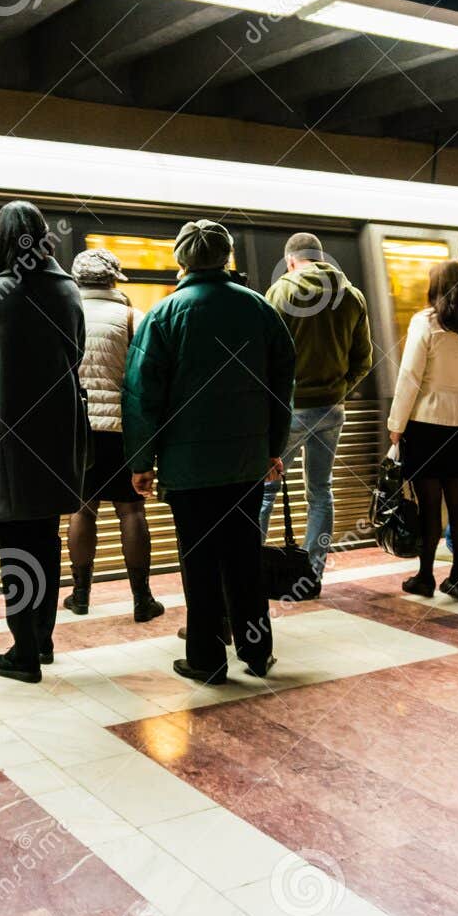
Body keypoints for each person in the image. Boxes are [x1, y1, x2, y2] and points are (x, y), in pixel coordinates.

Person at [124, 219, 293, 684]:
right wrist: (271, 448)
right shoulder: (260, 310)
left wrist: (141, 462)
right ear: (227, 257)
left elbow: (142, 395)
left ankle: (207, 659)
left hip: (188, 467)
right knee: (244, 557)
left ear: (181, 260)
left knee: (198, 562)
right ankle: (257, 654)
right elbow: (282, 387)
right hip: (245, 465)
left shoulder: (164, 315)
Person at [0, 201, 87, 684]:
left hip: (8, 440)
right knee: (47, 540)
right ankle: (44, 639)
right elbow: (74, 353)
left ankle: (23, 652)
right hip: (57, 438)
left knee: (15, 548)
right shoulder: (67, 291)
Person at [259, 232, 371, 592]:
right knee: (320, 491)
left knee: (266, 491)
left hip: (289, 409)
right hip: (331, 410)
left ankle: (248, 569)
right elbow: (364, 360)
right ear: (321, 258)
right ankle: (310, 576)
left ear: (291, 260)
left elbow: (265, 355)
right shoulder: (352, 296)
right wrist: (339, 389)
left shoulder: (281, 292)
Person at [63, 248, 164, 623]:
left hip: (79, 430)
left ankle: (81, 596)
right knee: (131, 510)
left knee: (82, 509)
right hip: (122, 430)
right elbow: (144, 378)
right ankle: (142, 600)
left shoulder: (64, 315)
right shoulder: (131, 317)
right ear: (113, 280)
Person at [386, 258, 458, 599]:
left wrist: (396, 425)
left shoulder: (425, 322)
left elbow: (410, 376)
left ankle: (426, 576)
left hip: (425, 422)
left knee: (429, 505)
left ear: (436, 286)